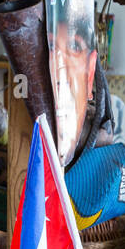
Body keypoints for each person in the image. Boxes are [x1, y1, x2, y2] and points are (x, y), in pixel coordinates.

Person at [52, 11, 98, 165]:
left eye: (74, 46)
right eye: (51, 46)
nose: (58, 62)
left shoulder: (100, 141)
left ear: (90, 69)